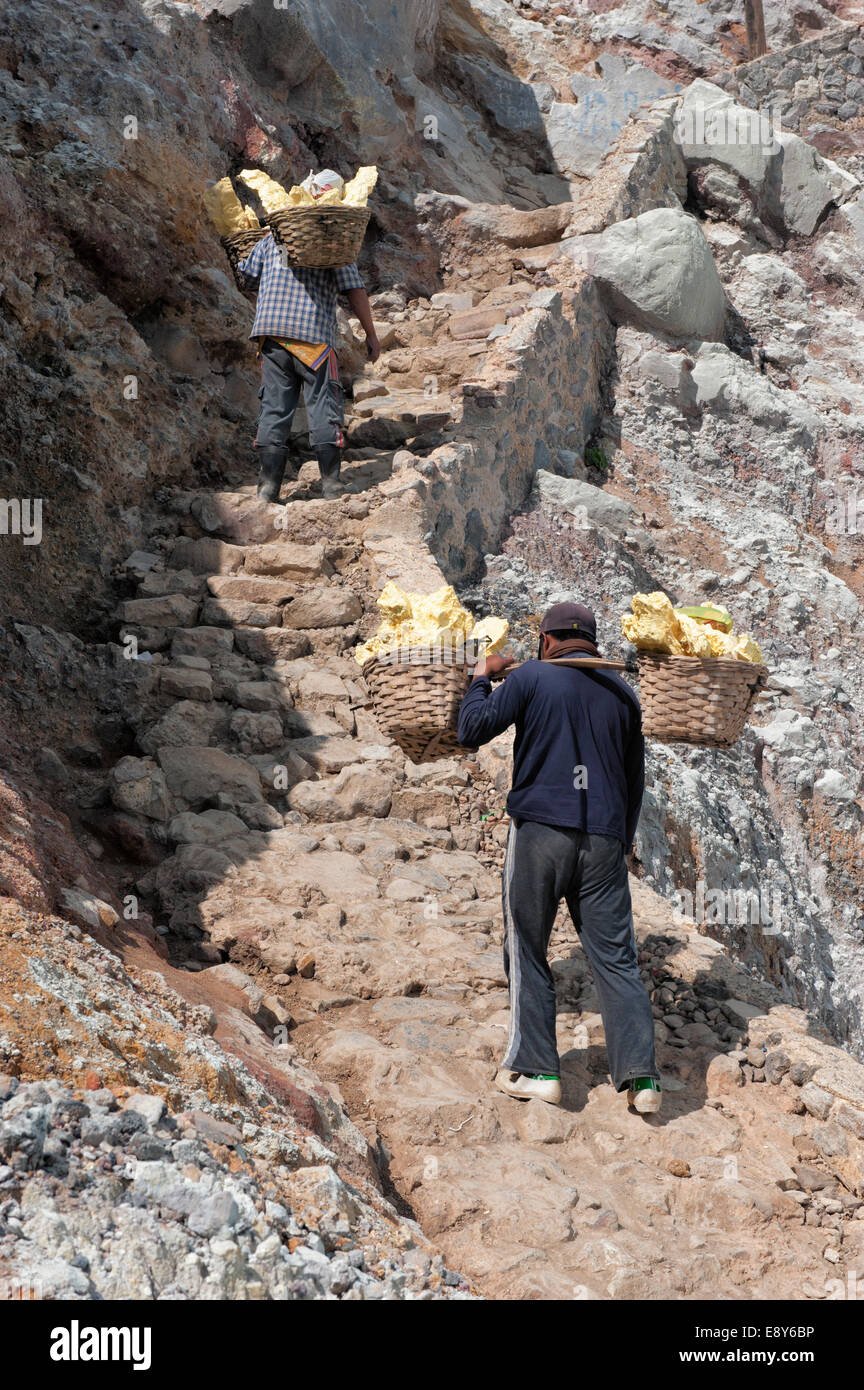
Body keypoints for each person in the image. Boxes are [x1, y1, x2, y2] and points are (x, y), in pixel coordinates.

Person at [457, 601, 661, 1113]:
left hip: (541, 834)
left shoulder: (532, 678)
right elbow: (634, 783)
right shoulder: (623, 694)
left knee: (527, 947)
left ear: (546, 639)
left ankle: (538, 1070)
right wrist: (619, 843)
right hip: (606, 841)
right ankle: (643, 1082)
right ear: (591, 641)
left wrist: (482, 677)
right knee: (616, 959)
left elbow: (471, 730)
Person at [237, 169, 380, 503]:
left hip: (272, 337)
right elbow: (354, 289)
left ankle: (267, 488)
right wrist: (370, 334)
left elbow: (246, 276)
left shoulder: (271, 237)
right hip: (312, 335)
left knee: (274, 408)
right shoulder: (333, 238)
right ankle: (331, 484)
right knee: (322, 405)